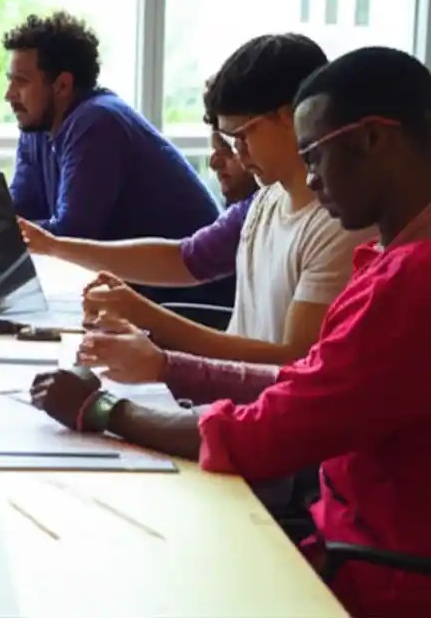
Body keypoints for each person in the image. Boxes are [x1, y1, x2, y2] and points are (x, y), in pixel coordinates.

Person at [31, 46, 431, 617]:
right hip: (339, 533)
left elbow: (272, 426)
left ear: (371, 139)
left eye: (315, 153)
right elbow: (302, 382)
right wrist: (164, 365)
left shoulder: (409, 280)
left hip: (365, 574)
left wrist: (102, 411)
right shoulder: (380, 254)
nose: (311, 174)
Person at [46, 35, 369, 367]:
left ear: (288, 116)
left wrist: (147, 319)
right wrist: (55, 246)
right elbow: (185, 257)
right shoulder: (264, 199)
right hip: (230, 402)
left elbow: (294, 363)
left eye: (242, 135)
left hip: (256, 412)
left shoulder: (339, 226)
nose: (236, 153)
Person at [3, 11, 222, 307]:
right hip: (131, 293)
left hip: (186, 301)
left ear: (63, 85)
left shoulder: (96, 122)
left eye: (21, 82)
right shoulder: (36, 129)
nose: (9, 95)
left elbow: (73, 234)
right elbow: (20, 218)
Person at [19, 76, 258, 320]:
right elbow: (184, 257)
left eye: (234, 144)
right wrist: (51, 245)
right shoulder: (255, 209)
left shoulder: (96, 120)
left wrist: (141, 318)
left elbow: (283, 355)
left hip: (199, 308)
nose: (214, 162)